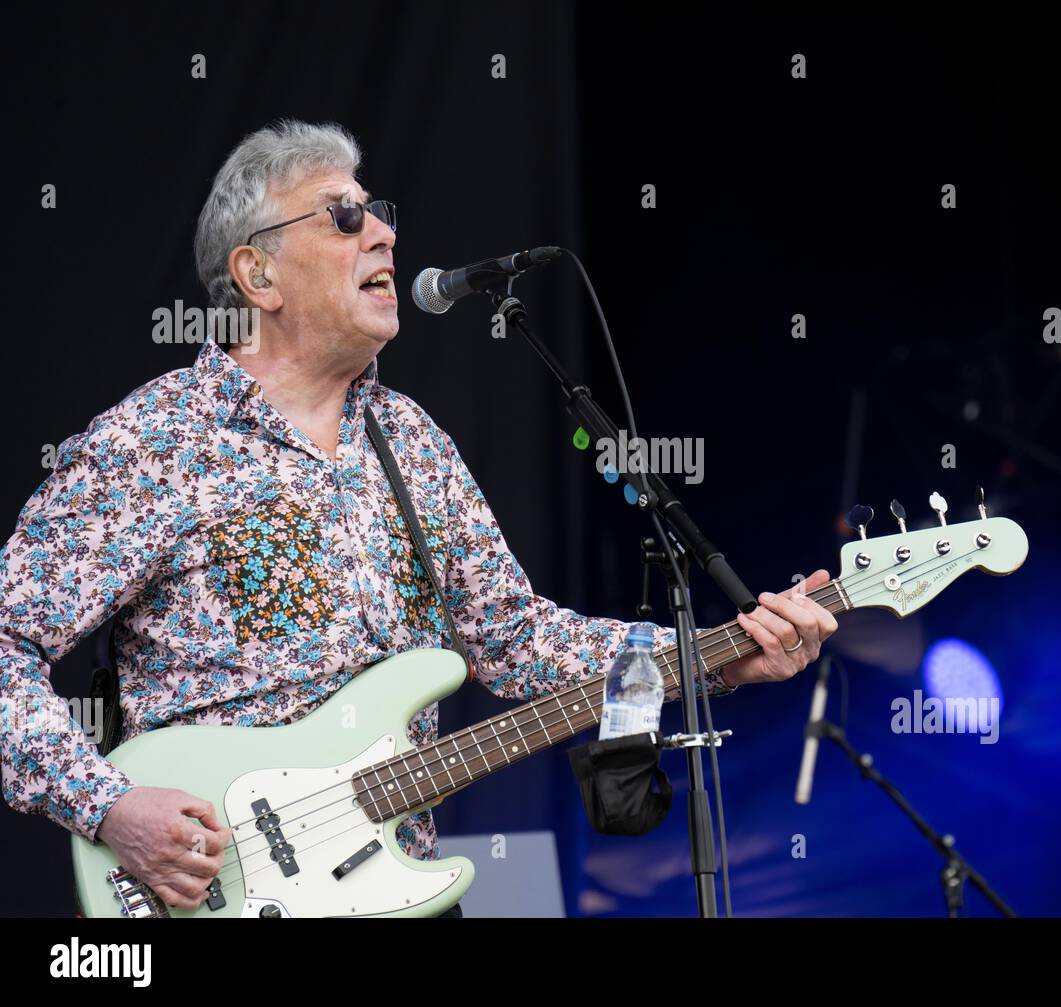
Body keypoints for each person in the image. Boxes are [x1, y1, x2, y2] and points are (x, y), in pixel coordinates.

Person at [0, 120, 838, 914]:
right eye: (344, 216)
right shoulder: (158, 441)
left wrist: (717, 659)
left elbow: (515, 638)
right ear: (258, 275)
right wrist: (108, 807)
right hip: (215, 888)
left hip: (391, 884)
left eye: (380, 214)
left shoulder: (409, 439)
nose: (384, 236)